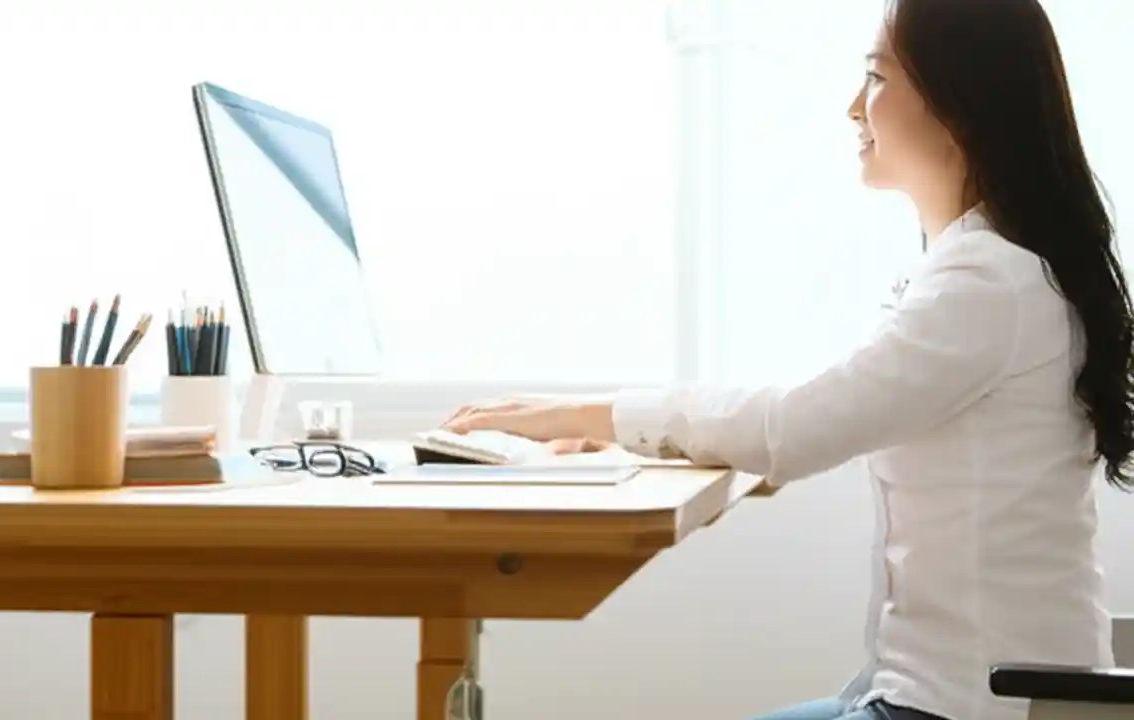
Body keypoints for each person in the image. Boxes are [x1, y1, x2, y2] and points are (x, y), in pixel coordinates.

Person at [442, 1, 1134, 719]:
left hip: (975, 706)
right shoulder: (986, 273)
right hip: (942, 695)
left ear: (959, 103)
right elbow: (810, 410)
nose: (852, 107)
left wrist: (597, 413)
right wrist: (622, 429)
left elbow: (792, 428)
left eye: (874, 77)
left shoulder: (987, 284)